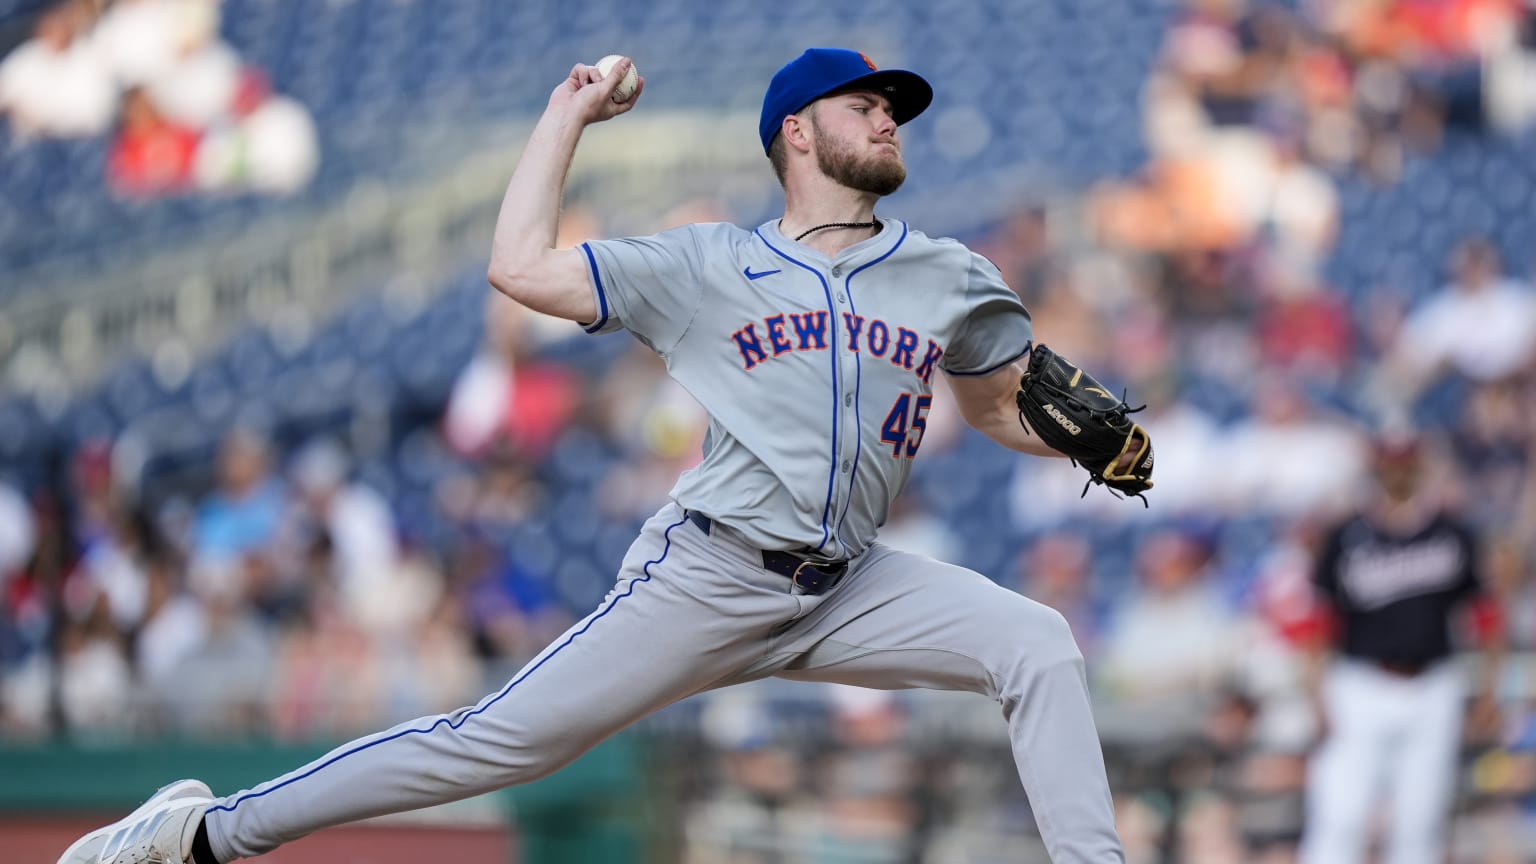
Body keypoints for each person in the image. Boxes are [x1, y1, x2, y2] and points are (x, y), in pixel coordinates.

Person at [59, 48, 1148, 864]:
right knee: (490, 744)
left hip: (854, 582)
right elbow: (520, 267)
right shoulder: (709, 265)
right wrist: (566, 114)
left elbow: (997, 405)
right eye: (864, 103)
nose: (888, 117)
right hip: (712, 574)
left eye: (893, 107)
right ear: (798, 133)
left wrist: (1083, 446)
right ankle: (207, 835)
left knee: (1037, 645)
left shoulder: (949, 274)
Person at [1298, 430, 1505, 864]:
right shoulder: (1346, 535)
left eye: (1405, 463)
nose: (1397, 473)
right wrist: (1316, 693)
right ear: (1375, 469)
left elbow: (1485, 614)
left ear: (1420, 468)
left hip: (1433, 683)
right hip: (1361, 683)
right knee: (1341, 813)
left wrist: (1490, 689)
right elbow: (1318, 622)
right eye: (1390, 464)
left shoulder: (1451, 533)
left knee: (1420, 820)